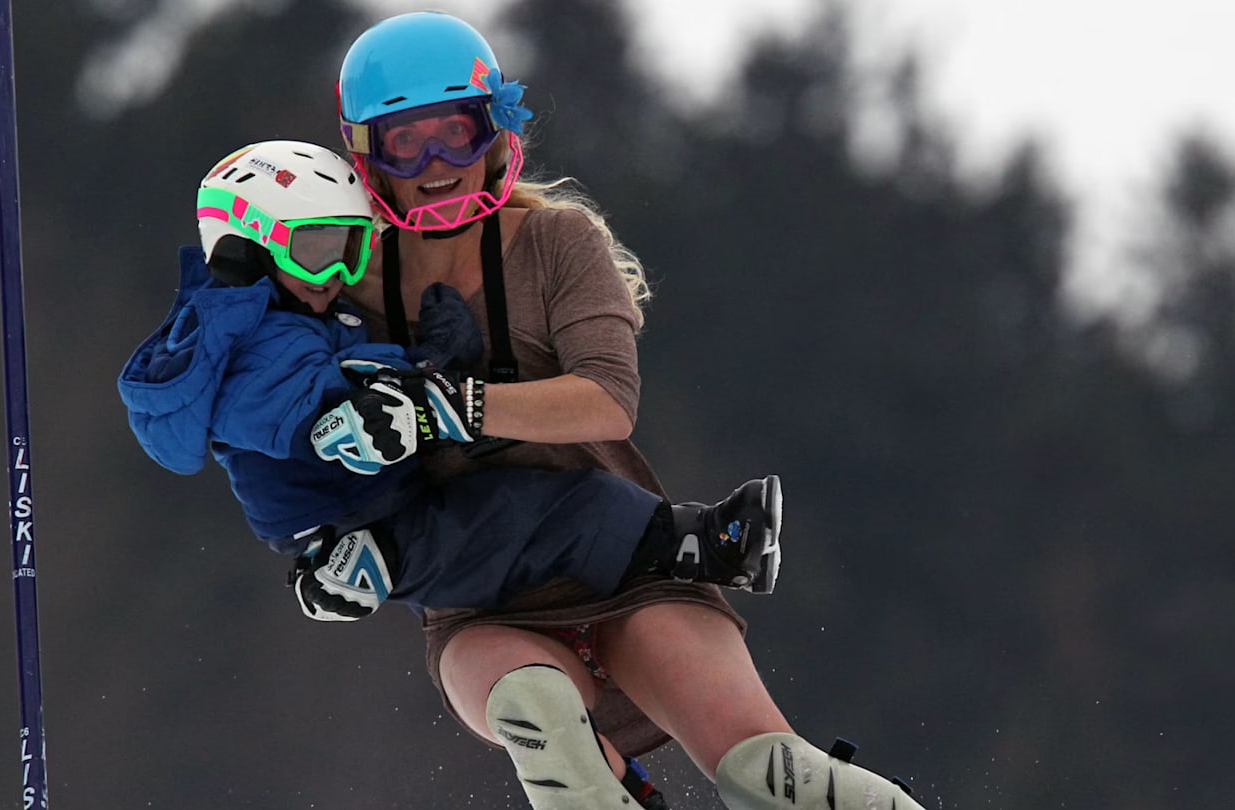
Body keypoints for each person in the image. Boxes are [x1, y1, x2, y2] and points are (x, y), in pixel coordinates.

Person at [327, 11, 930, 810]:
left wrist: (449, 409)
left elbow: (607, 402)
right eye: (409, 141)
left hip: (631, 572)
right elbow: (274, 425)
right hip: (481, 605)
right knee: (549, 740)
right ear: (368, 154)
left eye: (457, 132)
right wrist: (317, 551)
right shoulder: (343, 281)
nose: (439, 162)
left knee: (776, 781)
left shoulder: (556, 244)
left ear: (496, 132)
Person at [116, 139, 783, 629]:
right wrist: (422, 374)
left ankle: (682, 549)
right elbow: (315, 412)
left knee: (534, 498)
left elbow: (360, 376)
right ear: (246, 245)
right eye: (315, 251)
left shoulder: (289, 313)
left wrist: (430, 364)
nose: (332, 276)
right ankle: (697, 544)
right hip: (350, 514)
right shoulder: (237, 346)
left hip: (382, 492)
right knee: (535, 514)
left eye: (350, 250)